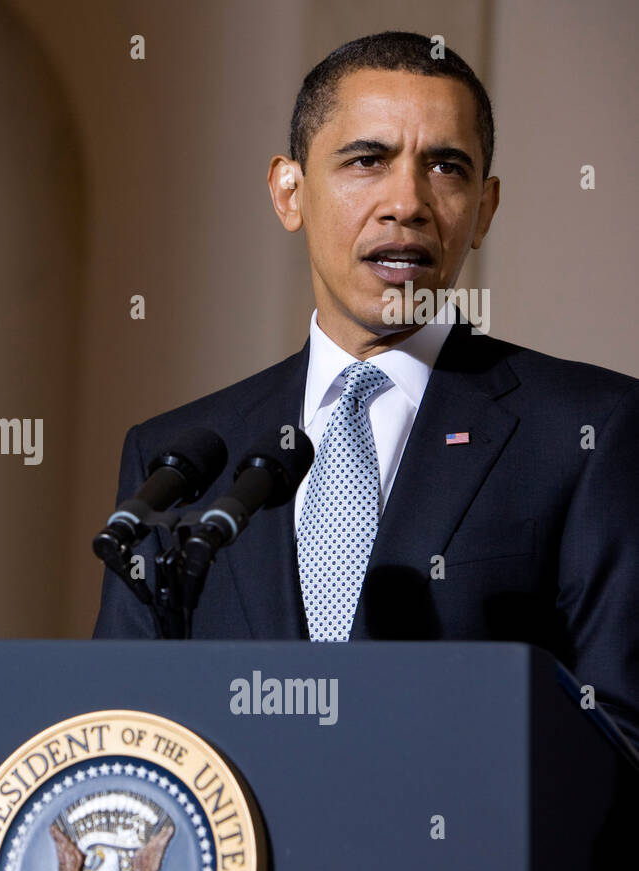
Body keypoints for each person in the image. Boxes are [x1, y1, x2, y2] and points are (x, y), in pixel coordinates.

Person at [93, 32, 639, 747]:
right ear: (289, 191)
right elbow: (117, 738)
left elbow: (621, 739)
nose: (407, 202)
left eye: (446, 167)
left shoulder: (588, 431)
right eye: (367, 160)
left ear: (482, 210)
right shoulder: (177, 460)